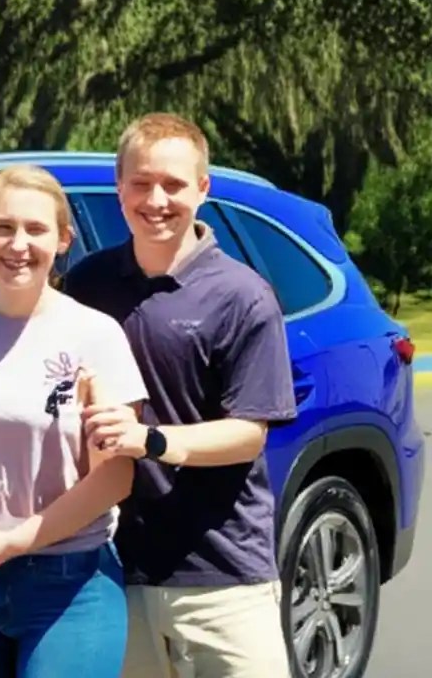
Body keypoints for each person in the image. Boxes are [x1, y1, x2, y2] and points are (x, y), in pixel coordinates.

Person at [64, 112, 298, 677]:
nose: (156, 200)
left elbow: (247, 435)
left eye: (172, 184)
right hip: (117, 572)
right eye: (141, 183)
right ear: (119, 188)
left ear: (202, 188)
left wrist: (148, 440)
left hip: (223, 575)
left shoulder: (242, 297)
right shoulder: (86, 286)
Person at [0, 164, 149, 678]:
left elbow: (114, 477)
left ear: (63, 239)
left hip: (69, 584)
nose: (18, 244)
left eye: (36, 229)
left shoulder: (95, 336)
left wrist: (11, 542)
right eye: (3, 227)